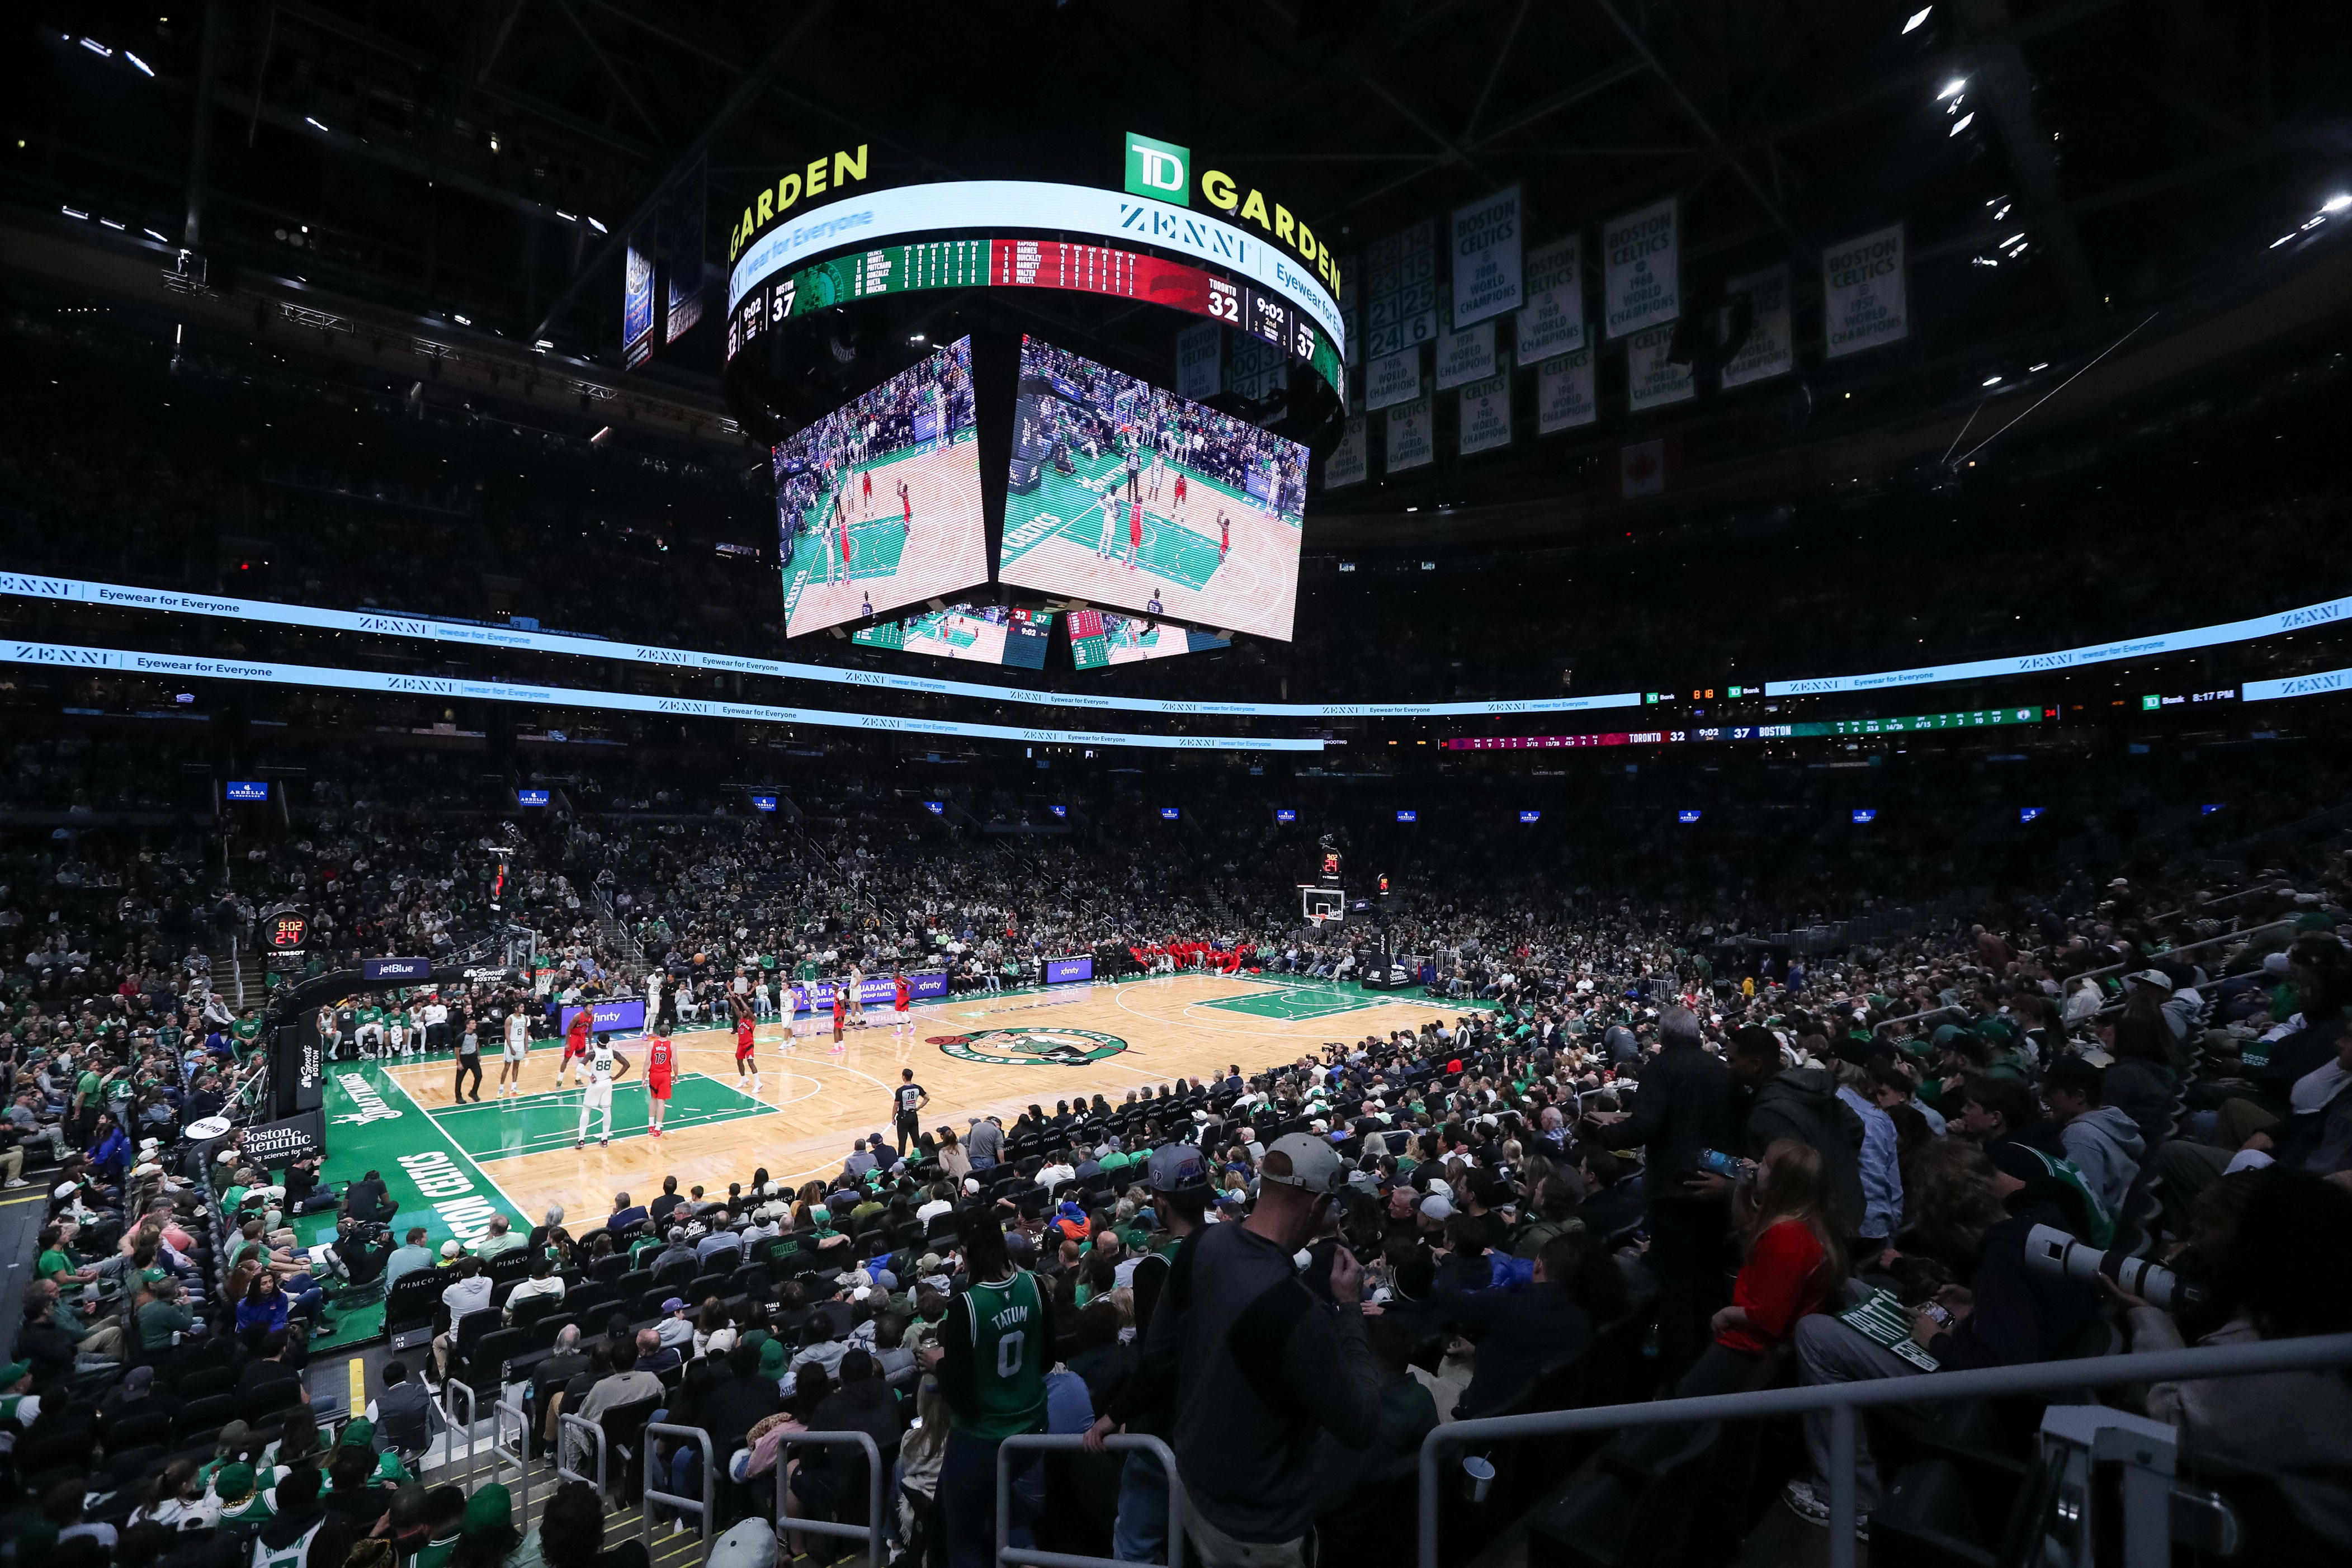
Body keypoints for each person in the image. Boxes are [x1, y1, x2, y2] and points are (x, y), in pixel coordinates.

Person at [1137, 1132, 1380, 1568]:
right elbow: (1360, 1425)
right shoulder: (1299, 1310)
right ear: (1317, 1206)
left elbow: (1157, 1357)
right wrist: (1348, 1309)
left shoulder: (1198, 1245)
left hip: (1192, 1490)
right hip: (1263, 1529)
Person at [1584, 1005, 1743, 1378]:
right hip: (1716, 1187)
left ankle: (1678, 1376)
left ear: (1664, 1036)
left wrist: (1605, 1134)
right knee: (1708, 1279)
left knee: (1676, 1288)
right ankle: (1712, 1363)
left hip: (1674, 1191)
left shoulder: (1663, 1066)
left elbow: (1647, 1126)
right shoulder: (1721, 1069)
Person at [922, 1207, 1053, 1568]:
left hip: (983, 1437)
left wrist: (941, 1364)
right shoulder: (1035, 1286)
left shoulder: (966, 1306)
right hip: (1034, 1430)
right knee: (1012, 1513)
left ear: (965, 1254)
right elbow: (1046, 1361)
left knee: (962, 1541)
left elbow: (959, 1396)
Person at [1674, 1140, 1847, 1399]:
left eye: (1765, 1164)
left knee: (1687, 1400)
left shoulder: (1786, 1236)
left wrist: (1727, 1314)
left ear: (1780, 1182)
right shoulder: (1801, 1220)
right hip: (1759, 1343)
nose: (1756, 1166)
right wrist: (1744, 1185)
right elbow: (1746, 1226)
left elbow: (1769, 1317)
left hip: (1751, 1346)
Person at [574, 1035, 631, 1150]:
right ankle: (605, 1139)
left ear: (598, 1042)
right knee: (607, 1110)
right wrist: (616, 1077)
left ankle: (581, 1140)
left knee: (586, 1110)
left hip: (596, 1083)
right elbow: (627, 1065)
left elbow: (579, 1069)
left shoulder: (592, 1054)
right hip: (607, 1083)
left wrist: (590, 1075)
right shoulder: (613, 1053)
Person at [644, 1031, 675, 1139]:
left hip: (654, 1074)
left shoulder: (652, 1044)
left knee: (654, 1099)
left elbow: (647, 1062)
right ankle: (658, 1129)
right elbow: (675, 1063)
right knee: (661, 1102)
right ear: (668, 1033)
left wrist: (643, 1078)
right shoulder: (672, 1045)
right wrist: (676, 1075)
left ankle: (651, 1126)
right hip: (665, 1075)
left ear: (659, 1033)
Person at [892, 1069, 929, 1158]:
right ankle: (920, 1159)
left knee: (902, 1142)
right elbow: (927, 1098)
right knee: (916, 1140)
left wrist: (893, 1118)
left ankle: (901, 1160)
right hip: (913, 1115)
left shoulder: (900, 1091)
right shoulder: (917, 1088)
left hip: (903, 1117)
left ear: (903, 1077)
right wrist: (919, 1107)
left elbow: (896, 1106)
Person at [556, 1005, 591, 1091]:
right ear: (585, 1008)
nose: (592, 1009)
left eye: (592, 1007)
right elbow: (568, 1029)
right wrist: (567, 1043)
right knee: (566, 1059)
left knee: (582, 1060)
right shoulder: (578, 1017)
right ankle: (559, 1080)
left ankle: (578, 1079)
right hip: (573, 1037)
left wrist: (590, 1043)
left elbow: (590, 1030)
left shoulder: (591, 1017)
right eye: (590, 1007)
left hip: (582, 1038)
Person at [499, 1007, 530, 1101]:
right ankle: (501, 1089)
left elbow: (526, 1032)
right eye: (521, 1007)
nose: (523, 1008)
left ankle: (514, 1088)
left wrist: (526, 1045)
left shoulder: (525, 1018)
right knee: (507, 1067)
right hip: (512, 1043)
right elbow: (507, 1035)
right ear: (516, 1008)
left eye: (524, 1007)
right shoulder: (510, 1019)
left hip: (520, 1043)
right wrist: (511, 1047)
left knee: (516, 1066)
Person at [733, 1009, 761, 1097]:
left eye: (745, 1011)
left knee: (750, 1062)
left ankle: (758, 1083)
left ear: (749, 1013)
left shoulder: (753, 1020)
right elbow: (735, 1007)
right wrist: (731, 1000)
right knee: (739, 1061)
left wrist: (742, 1002)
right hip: (741, 1044)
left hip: (749, 1044)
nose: (744, 1012)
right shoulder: (741, 1019)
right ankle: (744, 1079)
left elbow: (748, 1009)